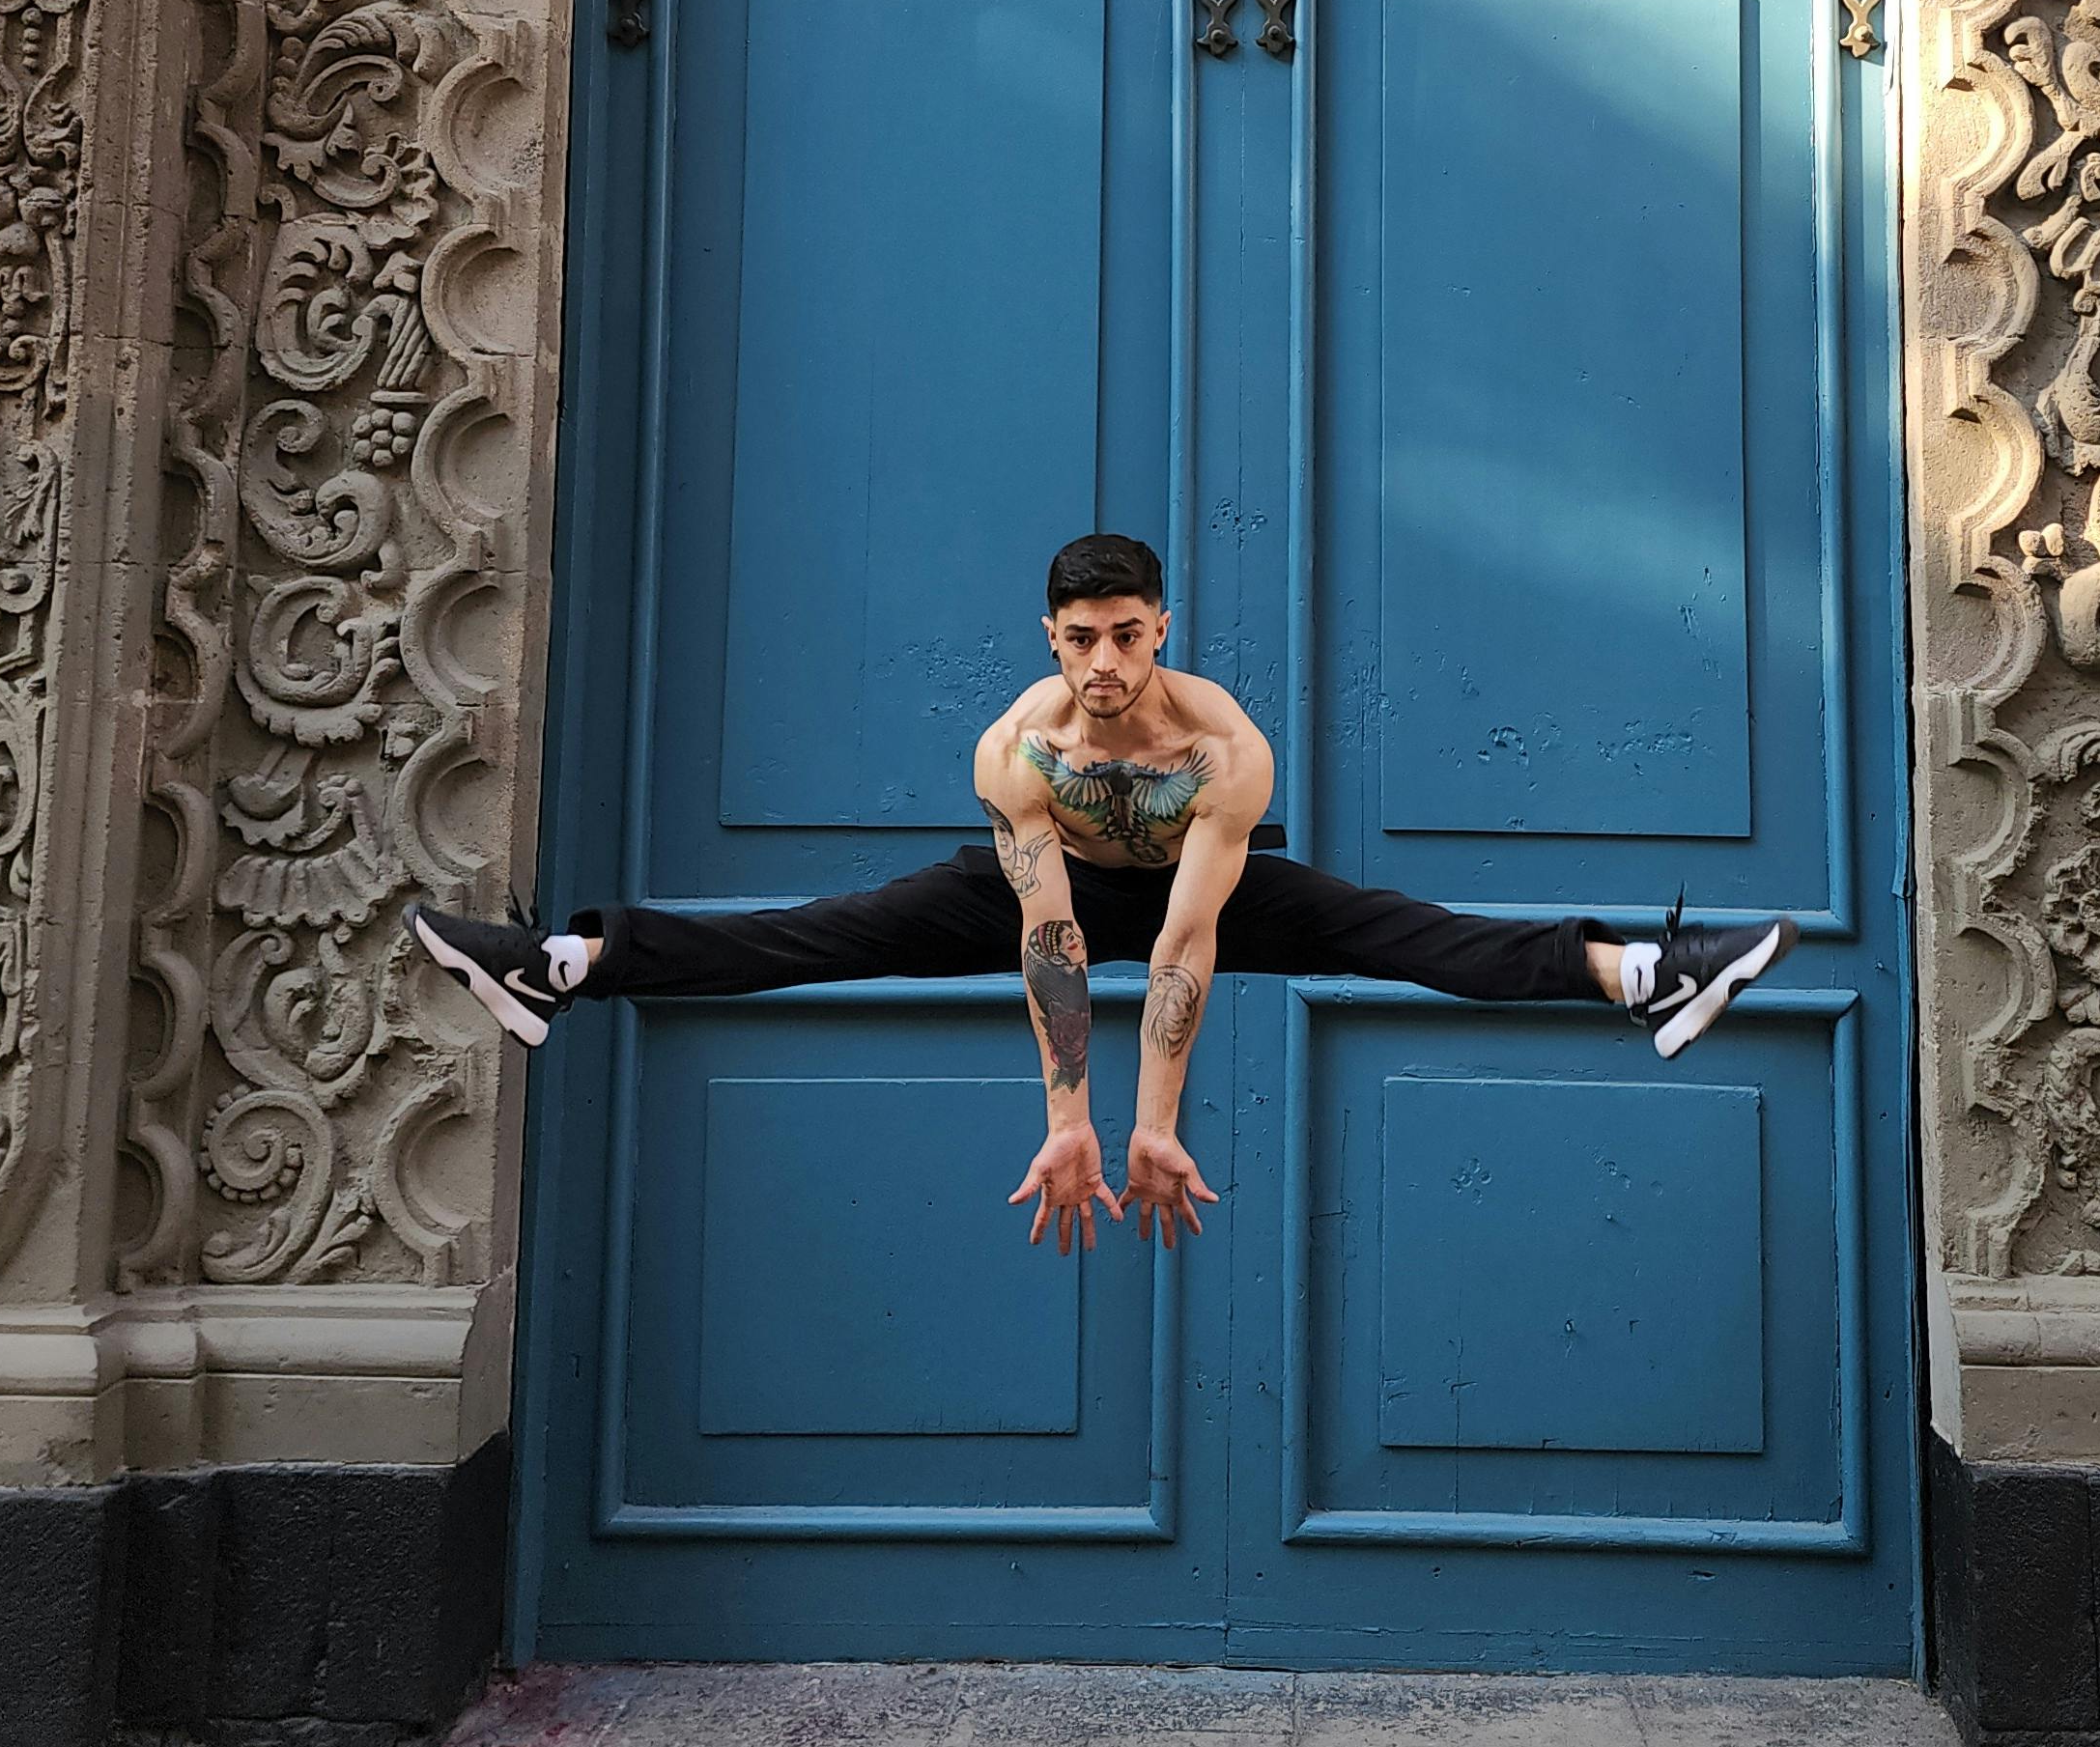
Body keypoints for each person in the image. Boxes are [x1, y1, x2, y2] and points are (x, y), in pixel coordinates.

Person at [405, 533, 1796, 1254]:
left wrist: (1151, 1126)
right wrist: (1069, 1118)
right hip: (1051, 882)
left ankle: (1645, 978)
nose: (1107, 664)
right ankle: (563, 965)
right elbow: (1054, 934)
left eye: (1129, 636)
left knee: (1399, 934)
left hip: (1203, 880)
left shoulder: (1222, 755)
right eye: (1082, 641)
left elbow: (1183, 942)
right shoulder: (1020, 753)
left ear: (1162, 628)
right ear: (1051, 641)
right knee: (830, 934)